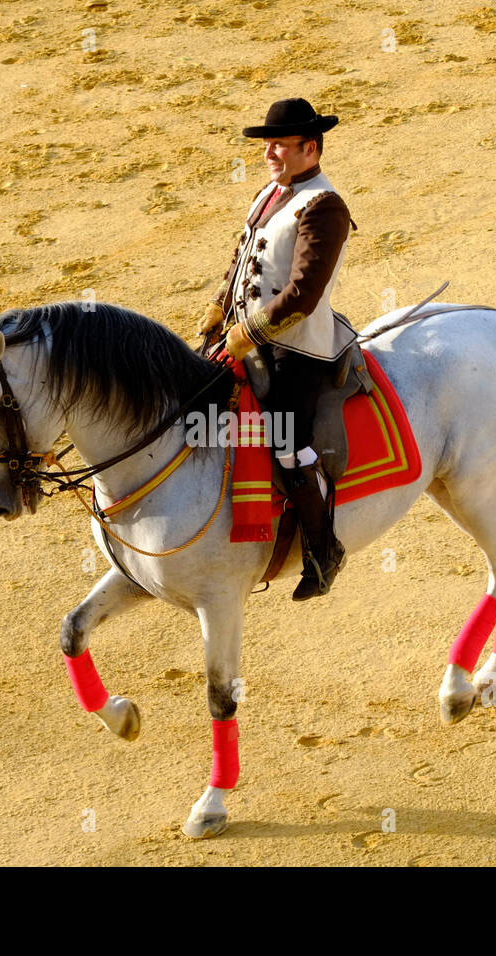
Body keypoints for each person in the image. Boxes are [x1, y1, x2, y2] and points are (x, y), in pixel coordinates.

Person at [197, 98, 358, 600]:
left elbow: (303, 296)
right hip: (244, 334)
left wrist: (248, 333)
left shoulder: (325, 206)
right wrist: (217, 313)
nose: (268, 152)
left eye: (279, 144)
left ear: (309, 148)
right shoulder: (271, 192)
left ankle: (323, 549)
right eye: (267, 143)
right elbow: (242, 261)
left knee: (288, 445)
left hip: (298, 351)